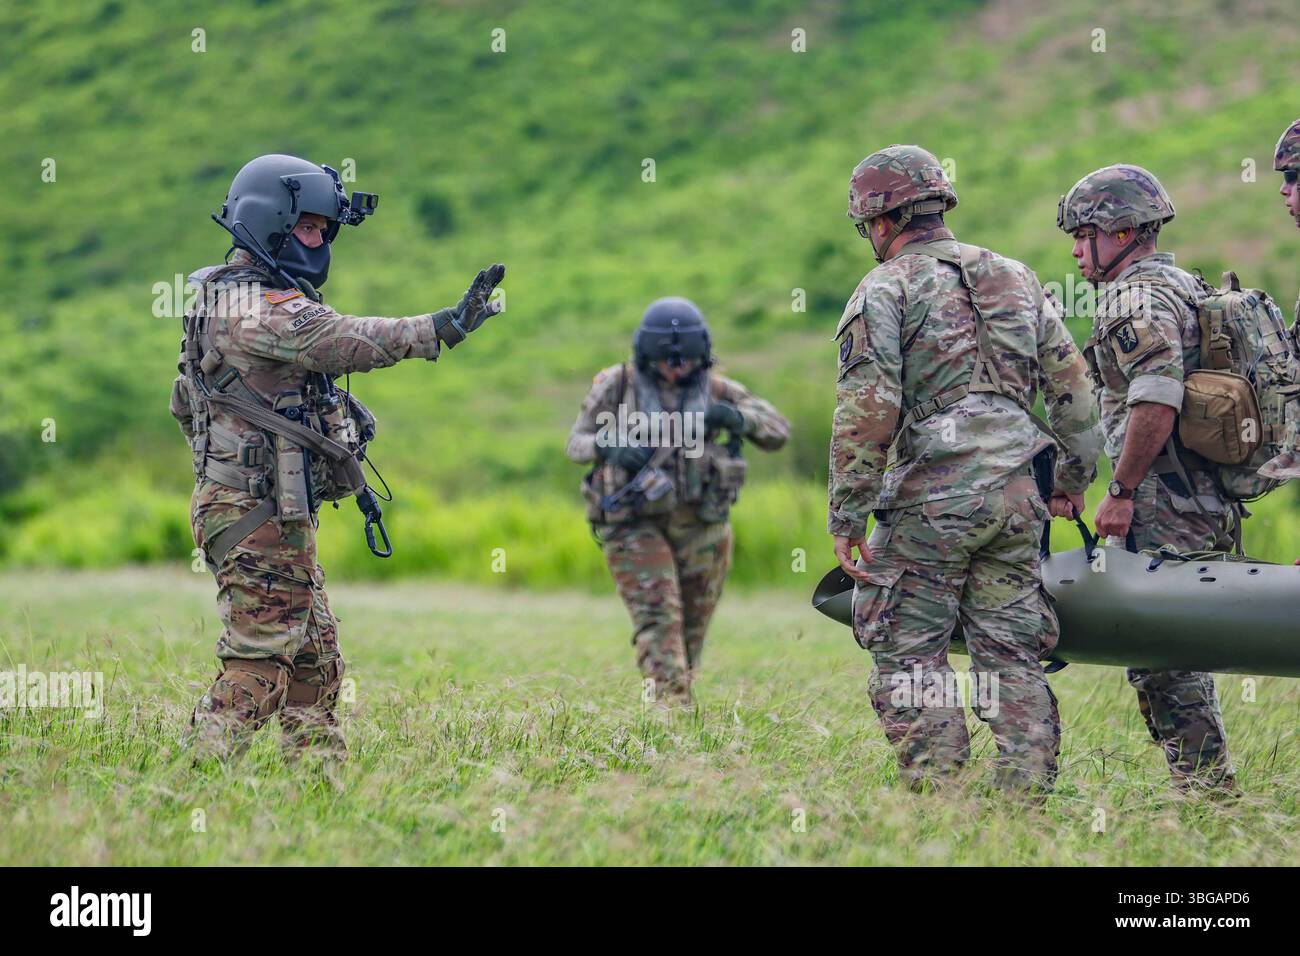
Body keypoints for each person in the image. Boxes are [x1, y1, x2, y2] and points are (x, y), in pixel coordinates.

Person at [170, 153, 505, 762]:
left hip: (263, 510)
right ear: (269, 220)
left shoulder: (234, 298)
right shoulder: (255, 310)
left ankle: (319, 792)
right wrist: (443, 328)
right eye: (307, 227)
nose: (319, 241)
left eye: (325, 230)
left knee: (316, 663)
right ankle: (192, 776)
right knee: (261, 664)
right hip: (254, 514)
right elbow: (340, 338)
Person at [832, 144, 1102, 794]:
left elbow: (869, 409)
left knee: (906, 648)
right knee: (1011, 651)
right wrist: (1069, 482)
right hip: (1016, 497)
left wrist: (848, 511)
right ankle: (1024, 802)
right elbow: (1076, 391)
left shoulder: (883, 289)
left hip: (930, 497)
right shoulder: (1016, 275)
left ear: (879, 219)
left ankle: (943, 798)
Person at [1057, 163, 1236, 791]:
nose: (1076, 252)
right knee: (1175, 645)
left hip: (1163, 496)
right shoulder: (1184, 285)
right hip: (1204, 493)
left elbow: (1156, 396)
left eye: (1084, 236)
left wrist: (1122, 492)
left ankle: (1208, 794)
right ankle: (1206, 788)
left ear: (1123, 232)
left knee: (1163, 656)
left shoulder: (1132, 297)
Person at [566, 297, 789, 706]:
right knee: (660, 619)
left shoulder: (718, 389)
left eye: (684, 360)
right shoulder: (617, 385)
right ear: (646, 355)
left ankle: (668, 703)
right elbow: (575, 442)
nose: (675, 368)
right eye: (666, 361)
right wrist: (609, 445)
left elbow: (778, 429)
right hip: (633, 523)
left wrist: (736, 419)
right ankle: (672, 715)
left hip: (702, 525)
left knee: (691, 632)